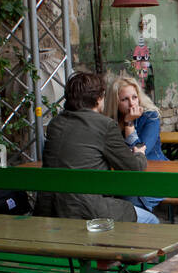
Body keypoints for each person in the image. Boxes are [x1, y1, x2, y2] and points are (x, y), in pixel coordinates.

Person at [35, 71, 159, 223]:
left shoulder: (56, 123)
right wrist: (139, 153)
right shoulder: (104, 125)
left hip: (49, 208)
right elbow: (133, 167)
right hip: (85, 209)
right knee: (152, 221)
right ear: (99, 98)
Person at [104, 74, 167, 213]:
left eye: (134, 97)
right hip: (123, 175)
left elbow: (141, 151)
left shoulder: (151, 116)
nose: (132, 103)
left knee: (128, 201)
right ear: (115, 102)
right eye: (124, 99)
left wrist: (129, 123)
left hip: (152, 172)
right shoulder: (109, 122)